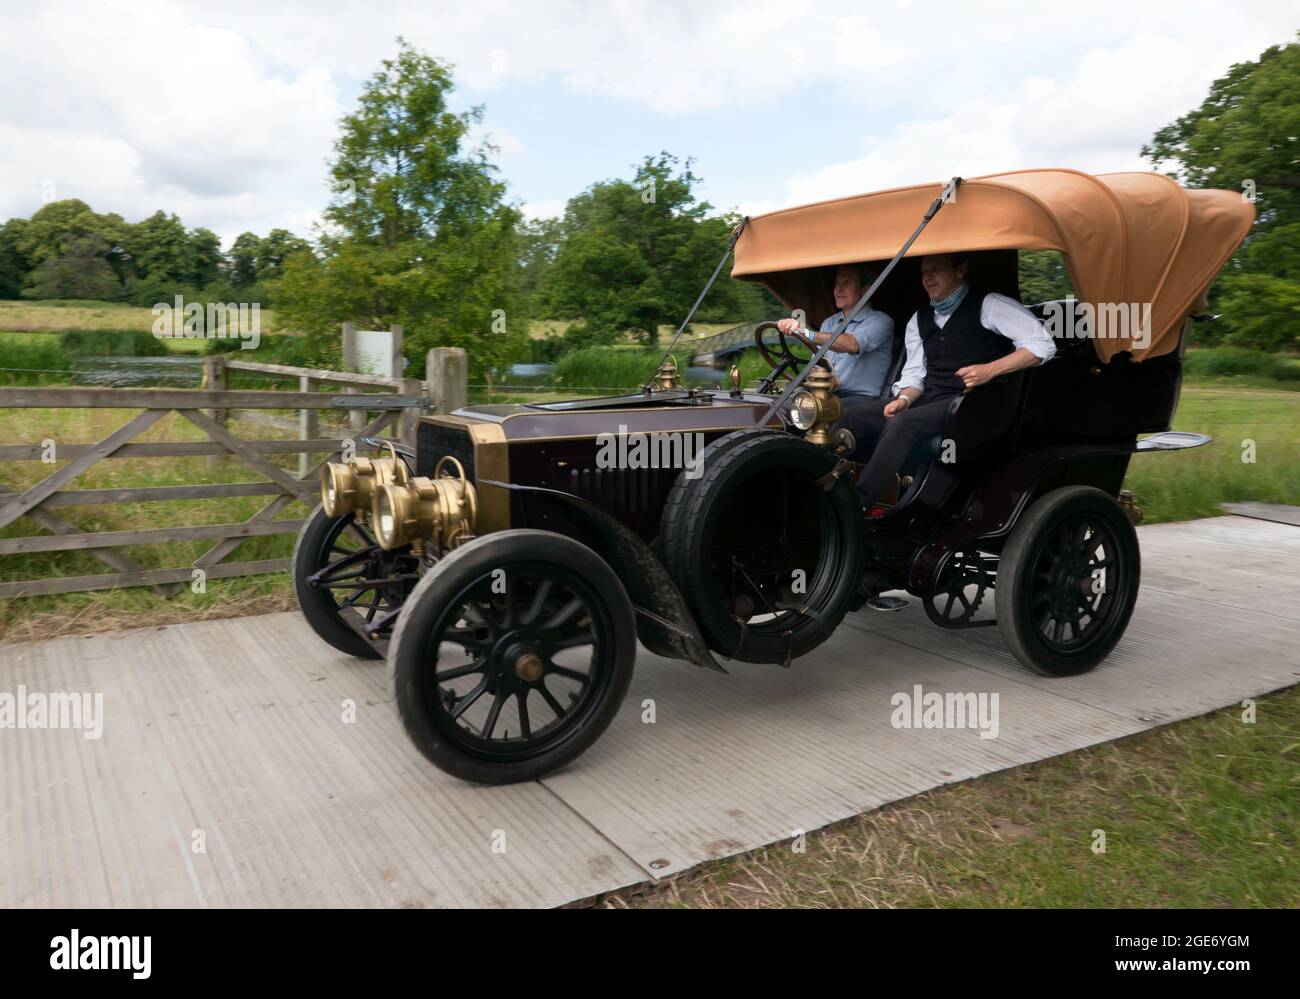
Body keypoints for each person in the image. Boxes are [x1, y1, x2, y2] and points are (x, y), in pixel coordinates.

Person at [840, 252, 1056, 509]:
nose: (928, 277)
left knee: (903, 423)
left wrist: (990, 369)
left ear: (960, 270)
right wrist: (905, 398)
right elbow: (914, 376)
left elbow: (1042, 345)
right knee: (850, 416)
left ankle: (856, 505)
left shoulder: (990, 304)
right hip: (930, 400)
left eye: (937, 269)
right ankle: (831, 488)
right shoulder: (918, 319)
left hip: (973, 405)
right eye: (924, 272)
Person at [776, 263, 893, 400]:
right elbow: (817, 363)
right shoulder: (829, 322)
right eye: (837, 283)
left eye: (847, 283)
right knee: (784, 409)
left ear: (866, 289)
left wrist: (805, 332)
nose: (838, 289)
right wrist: (816, 375)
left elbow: (852, 344)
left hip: (859, 399)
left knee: (826, 416)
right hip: (825, 394)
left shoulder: (881, 321)